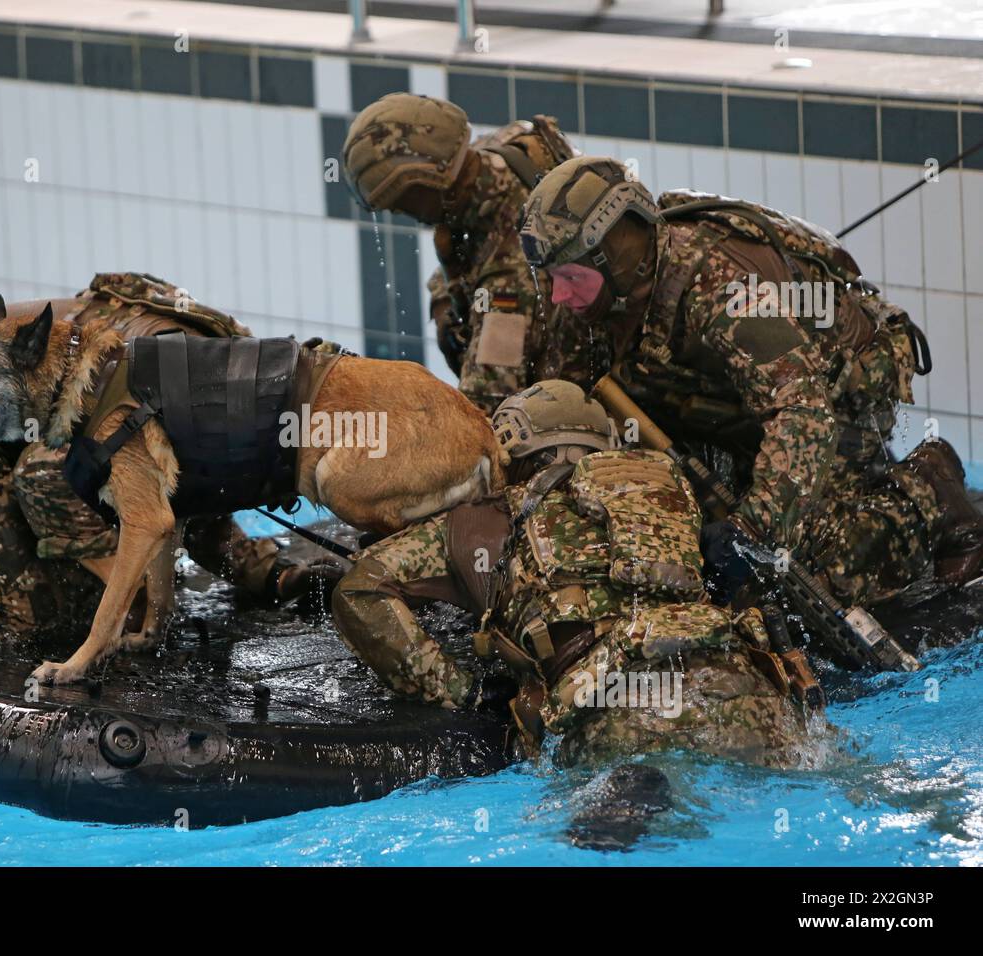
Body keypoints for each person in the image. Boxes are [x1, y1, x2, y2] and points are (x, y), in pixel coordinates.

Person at [517, 156, 983, 608]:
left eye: (572, 278)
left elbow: (804, 411)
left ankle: (928, 492)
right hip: (735, 401)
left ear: (621, 257)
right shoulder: (590, 293)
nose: (560, 295)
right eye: (553, 279)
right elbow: (564, 394)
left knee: (801, 571)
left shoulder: (719, 285)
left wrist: (752, 530)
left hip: (840, 404)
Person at [0, 274, 343, 649]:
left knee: (56, 560)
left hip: (4, 407)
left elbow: (194, 496)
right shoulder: (131, 399)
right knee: (22, 609)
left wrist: (269, 575)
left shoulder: (202, 383)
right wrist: (135, 603)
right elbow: (52, 480)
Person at [331, 380, 823, 767]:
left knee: (635, 821)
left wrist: (463, 691)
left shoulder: (486, 517)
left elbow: (361, 590)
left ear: (512, 451)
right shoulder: (670, 498)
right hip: (747, 689)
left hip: (614, 709)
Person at [341, 93, 606, 412]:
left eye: (404, 200)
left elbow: (484, 406)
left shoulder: (511, 271)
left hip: (572, 409)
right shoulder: (498, 151)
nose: (400, 211)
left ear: (432, 181)